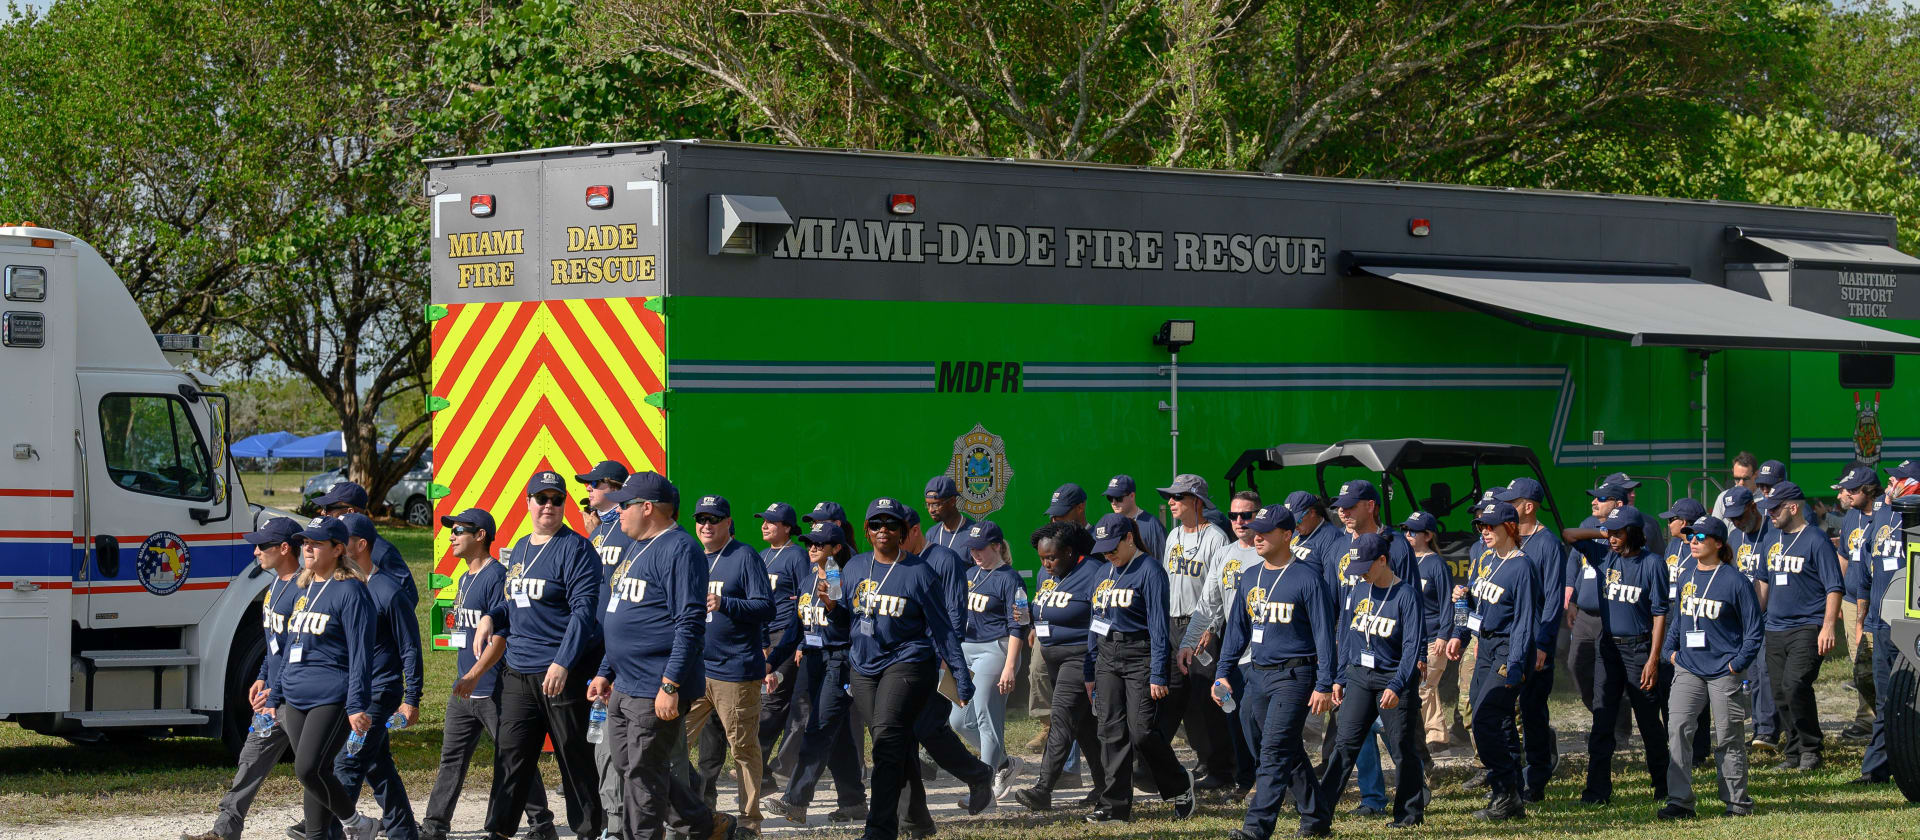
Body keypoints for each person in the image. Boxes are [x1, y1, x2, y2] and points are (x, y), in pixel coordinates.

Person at [590, 472, 740, 840]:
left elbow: (689, 623)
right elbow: (622, 613)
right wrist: (605, 671)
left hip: (654, 683)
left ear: (647, 508)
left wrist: (670, 684)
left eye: (625, 504)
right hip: (624, 682)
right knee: (633, 767)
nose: (618, 510)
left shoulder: (679, 549)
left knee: (642, 775)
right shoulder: (635, 545)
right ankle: (705, 826)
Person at [418, 509, 556, 840]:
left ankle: (542, 824)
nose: (451, 536)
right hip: (465, 690)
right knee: (451, 759)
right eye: (451, 531)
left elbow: (501, 637)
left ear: (480, 536)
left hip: (493, 690)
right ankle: (435, 826)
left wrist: (476, 675)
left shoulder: (496, 577)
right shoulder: (465, 578)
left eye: (459, 531)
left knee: (513, 758)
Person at [844, 497, 976, 840]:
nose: (883, 530)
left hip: (908, 661)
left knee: (886, 742)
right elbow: (845, 620)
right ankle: (919, 819)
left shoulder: (919, 572)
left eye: (891, 525)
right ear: (867, 530)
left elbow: (943, 628)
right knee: (896, 745)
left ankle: (880, 828)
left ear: (904, 531)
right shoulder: (854, 568)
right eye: (876, 524)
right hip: (863, 667)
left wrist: (960, 675)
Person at [484, 471, 607, 840]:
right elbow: (513, 601)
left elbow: (585, 612)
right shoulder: (520, 547)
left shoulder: (576, 549)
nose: (549, 506)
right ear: (529, 502)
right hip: (518, 673)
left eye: (557, 499)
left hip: (560, 675)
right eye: (542, 498)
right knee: (510, 757)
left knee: (575, 760)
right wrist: (492, 616)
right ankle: (499, 832)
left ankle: (588, 831)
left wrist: (563, 661)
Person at [180, 518, 307, 840]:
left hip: (297, 698)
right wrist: (263, 676)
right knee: (250, 762)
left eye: (263, 545)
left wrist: (276, 692)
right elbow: (275, 643)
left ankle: (366, 823)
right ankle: (224, 831)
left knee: (321, 769)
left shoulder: (304, 592)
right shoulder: (275, 585)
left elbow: (299, 650)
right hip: (273, 698)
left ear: (284, 548)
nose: (256, 551)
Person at [1214, 503, 1334, 839]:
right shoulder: (1251, 576)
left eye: (1266, 531)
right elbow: (1237, 629)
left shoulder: (1307, 577)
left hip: (1294, 677)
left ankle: (1256, 829)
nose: (1257, 537)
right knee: (1280, 748)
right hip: (1256, 673)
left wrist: (1324, 684)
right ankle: (1316, 816)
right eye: (1255, 531)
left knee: (1273, 752)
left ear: (1288, 534)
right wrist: (1222, 671)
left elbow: (1325, 636)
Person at [1309, 532, 1430, 832]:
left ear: (1383, 560)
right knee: (1345, 744)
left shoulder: (1406, 596)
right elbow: (1348, 637)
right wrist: (1339, 677)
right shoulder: (1358, 592)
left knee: (1402, 746)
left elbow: (1412, 647)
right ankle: (1319, 813)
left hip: (1393, 678)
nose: (1361, 573)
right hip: (1360, 677)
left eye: (1366, 566)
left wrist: (1397, 684)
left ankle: (1408, 813)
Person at [1082, 512, 1197, 824]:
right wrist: (1090, 669)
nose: (1107, 553)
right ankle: (1113, 807)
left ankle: (1178, 784)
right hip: (1107, 656)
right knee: (1109, 731)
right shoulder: (1103, 571)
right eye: (1102, 548)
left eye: (1112, 546)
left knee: (1142, 732)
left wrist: (1158, 672)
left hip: (1139, 654)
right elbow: (1095, 622)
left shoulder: (1149, 570)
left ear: (1129, 538)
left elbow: (1159, 628)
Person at [271, 516, 380, 840]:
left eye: (316, 543)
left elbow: (362, 653)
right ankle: (319, 836)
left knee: (307, 767)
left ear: (337, 549)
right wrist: (275, 696)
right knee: (315, 773)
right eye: (305, 542)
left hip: (331, 696)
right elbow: (291, 644)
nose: (307, 547)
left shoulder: (350, 592)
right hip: (296, 695)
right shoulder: (305, 588)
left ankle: (357, 824)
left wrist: (357, 704)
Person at [761, 522, 871, 825]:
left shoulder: (844, 579)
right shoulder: (808, 579)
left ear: (835, 548)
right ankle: (853, 802)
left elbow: (850, 625)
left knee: (818, 727)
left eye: (819, 544)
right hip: (811, 659)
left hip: (840, 659)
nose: (811, 547)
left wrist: (833, 606)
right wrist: (773, 662)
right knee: (835, 735)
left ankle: (795, 801)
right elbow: (797, 629)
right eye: (809, 542)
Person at [1562, 506, 1670, 805]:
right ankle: (1596, 793)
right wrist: (1603, 531)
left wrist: (1652, 659)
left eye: (1618, 533)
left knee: (1649, 723)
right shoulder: (1604, 556)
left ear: (1635, 534)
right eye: (1610, 532)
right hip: (1607, 648)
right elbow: (1569, 535)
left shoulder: (1653, 564)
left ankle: (1664, 787)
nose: (1611, 538)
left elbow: (1660, 613)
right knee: (1602, 719)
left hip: (1639, 649)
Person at [681, 495, 774, 833]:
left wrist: (726, 603)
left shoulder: (744, 556)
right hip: (695, 669)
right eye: (701, 519)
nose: (706, 525)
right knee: (674, 742)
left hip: (735, 672)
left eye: (714, 519)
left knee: (744, 750)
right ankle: (698, 813)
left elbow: (766, 607)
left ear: (727, 522)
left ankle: (750, 824)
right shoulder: (693, 557)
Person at [1660, 516, 1763, 819]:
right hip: (1688, 667)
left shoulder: (1735, 581)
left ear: (1718, 543)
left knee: (1729, 736)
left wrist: (1737, 664)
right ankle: (1679, 801)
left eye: (1701, 536)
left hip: (1723, 670)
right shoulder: (1687, 573)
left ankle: (1736, 802)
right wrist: (1670, 650)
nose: (1693, 540)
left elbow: (1754, 629)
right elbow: (1679, 617)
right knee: (1678, 729)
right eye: (1691, 535)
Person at [1446, 500, 1538, 821]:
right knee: (1486, 719)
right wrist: (1460, 619)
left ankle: (1507, 793)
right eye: (1481, 526)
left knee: (1486, 719)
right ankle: (1510, 792)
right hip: (1483, 646)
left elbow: (1525, 621)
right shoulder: (1485, 558)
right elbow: (1474, 604)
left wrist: (1515, 663)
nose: (1484, 531)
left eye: (1490, 526)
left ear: (1509, 528)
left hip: (1506, 649)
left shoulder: (1522, 566)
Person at [334, 514, 423, 840]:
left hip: (379, 692)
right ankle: (403, 832)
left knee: (348, 763)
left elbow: (410, 648)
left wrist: (411, 698)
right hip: (353, 692)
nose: (337, 545)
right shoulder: (343, 586)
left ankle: (328, 830)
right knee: (377, 764)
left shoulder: (389, 591)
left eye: (343, 539)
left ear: (361, 545)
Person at [1012, 521, 1108, 811]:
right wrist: (1029, 616)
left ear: (1069, 552)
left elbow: (1100, 617)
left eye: (1052, 557)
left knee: (1062, 720)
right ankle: (1106, 786)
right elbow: (1045, 606)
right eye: (1042, 558)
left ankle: (1043, 789)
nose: (1046, 564)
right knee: (1085, 728)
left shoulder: (1092, 572)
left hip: (1079, 658)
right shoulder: (1046, 574)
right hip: (1053, 657)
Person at [1179, 490, 1265, 797]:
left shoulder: (1269, 550)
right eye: (1234, 515)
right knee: (1234, 715)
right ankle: (1244, 780)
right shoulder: (1225, 553)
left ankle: (1271, 782)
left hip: (1268, 651)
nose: (1240, 521)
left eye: (1247, 515)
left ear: (1260, 514)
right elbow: (1209, 603)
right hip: (1234, 649)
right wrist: (1189, 642)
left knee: (1261, 721)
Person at [1154, 474, 1236, 791]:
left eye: (1178, 497)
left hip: (1200, 624)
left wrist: (1210, 626)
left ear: (1197, 502)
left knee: (1207, 697)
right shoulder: (1174, 536)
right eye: (1170, 497)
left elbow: (1218, 588)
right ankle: (1193, 760)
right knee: (1177, 697)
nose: (1171, 502)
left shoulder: (1216, 538)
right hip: (1174, 622)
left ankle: (1223, 768)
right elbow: (1167, 581)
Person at [1755, 481, 1843, 772]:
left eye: (1775, 508)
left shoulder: (1815, 540)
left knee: (1795, 685)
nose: (1769, 514)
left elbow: (1834, 587)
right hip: (1775, 628)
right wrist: (1754, 620)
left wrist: (1828, 626)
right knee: (1779, 691)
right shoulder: (1771, 540)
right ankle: (1792, 752)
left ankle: (1810, 748)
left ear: (1792, 507)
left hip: (1807, 626)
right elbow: (1764, 585)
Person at [1493, 477, 1566, 802]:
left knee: (1533, 711)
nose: (1506, 505)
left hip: (1534, 643)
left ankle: (1536, 778)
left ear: (1528, 506)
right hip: (1506, 641)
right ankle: (1509, 778)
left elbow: (1552, 600)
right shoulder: (1503, 539)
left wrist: (1543, 644)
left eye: (1512, 501)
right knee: (1502, 711)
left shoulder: (1546, 543)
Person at [950, 521, 1030, 797]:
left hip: (996, 649)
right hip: (966, 650)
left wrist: (1010, 666)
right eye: (972, 548)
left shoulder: (1010, 579)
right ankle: (1005, 763)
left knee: (986, 716)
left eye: (981, 548)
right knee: (958, 720)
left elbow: (1019, 625)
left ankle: (982, 791)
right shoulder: (970, 573)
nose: (975, 553)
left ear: (996, 545)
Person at [576, 460, 633, 840]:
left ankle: (617, 824)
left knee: (614, 745)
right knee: (602, 742)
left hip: (615, 648)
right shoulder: (601, 530)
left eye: (594, 485)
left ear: (613, 488)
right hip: (594, 644)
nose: (589, 492)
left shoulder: (627, 530)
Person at [1852, 461, 1917, 785]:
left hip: (1908, 623)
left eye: (1899, 479)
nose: (1890, 482)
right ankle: (1877, 768)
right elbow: (1867, 565)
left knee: (1909, 697)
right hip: (1879, 622)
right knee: (1885, 699)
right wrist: (1863, 615)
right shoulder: (1882, 514)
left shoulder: (1915, 519)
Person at [1720, 484, 1781, 751]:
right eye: (1731, 518)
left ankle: (1767, 730)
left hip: (1770, 612)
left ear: (1753, 507)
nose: (1736, 522)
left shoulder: (1773, 532)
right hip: (1744, 615)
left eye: (1740, 516)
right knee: (1753, 673)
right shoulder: (1735, 537)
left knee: (1766, 671)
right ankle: (1760, 726)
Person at [754, 502, 810, 791]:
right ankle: (764, 770)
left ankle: (764, 770)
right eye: (763, 521)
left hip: (787, 639)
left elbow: (804, 599)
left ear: (787, 527)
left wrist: (801, 641)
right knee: (772, 703)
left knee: (774, 702)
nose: (764, 525)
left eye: (772, 521)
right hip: (765, 638)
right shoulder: (762, 556)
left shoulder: (797, 556)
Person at [1403, 512, 1459, 756]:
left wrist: (1444, 635)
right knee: (1423, 686)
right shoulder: (1405, 561)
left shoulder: (1436, 564)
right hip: (1411, 636)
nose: (1408, 535)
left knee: (1424, 687)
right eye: (1406, 530)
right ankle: (1436, 733)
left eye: (1413, 531)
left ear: (1428, 535)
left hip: (1433, 634)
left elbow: (1448, 602)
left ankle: (1433, 736)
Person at [1835, 464, 1881, 748]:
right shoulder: (1851, 517)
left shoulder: (1887, 516)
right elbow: (1843, 555)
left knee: (1878, 661)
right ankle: (1866, 720)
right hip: (1852, 600)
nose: (1847, 494)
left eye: (1853, 490)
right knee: (1859, 663)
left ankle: (1884, 720)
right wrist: (1837, 594)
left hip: (1879, 600)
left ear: (1868, 491)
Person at [311, 482, 417, 606]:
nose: (323, 513)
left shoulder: (381, 551)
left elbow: (409, 595)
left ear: (350, 512)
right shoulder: (333, 547)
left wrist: (373, 616)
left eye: (328, 508)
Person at [1106, 474, 1169, 562]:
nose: (1113, 502)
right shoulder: (1110, 525)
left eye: (1118, 498)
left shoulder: (1152, 525)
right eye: (1110, 498)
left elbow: (1162, 563)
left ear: (1132, 496)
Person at [923, 476, 975, 553]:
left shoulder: (973, 534)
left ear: (952, 501)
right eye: (928, 505)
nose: (931, 510)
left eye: (936, 504)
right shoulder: (931, 534)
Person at [1714, 452, 1761, 524]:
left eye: (1745, 479)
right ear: (1733, 472)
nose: (1741, 483)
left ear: (1756, 474)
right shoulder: (1723, 498)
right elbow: (1715, 527)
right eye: (1737, 479)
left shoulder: (1765, 497)